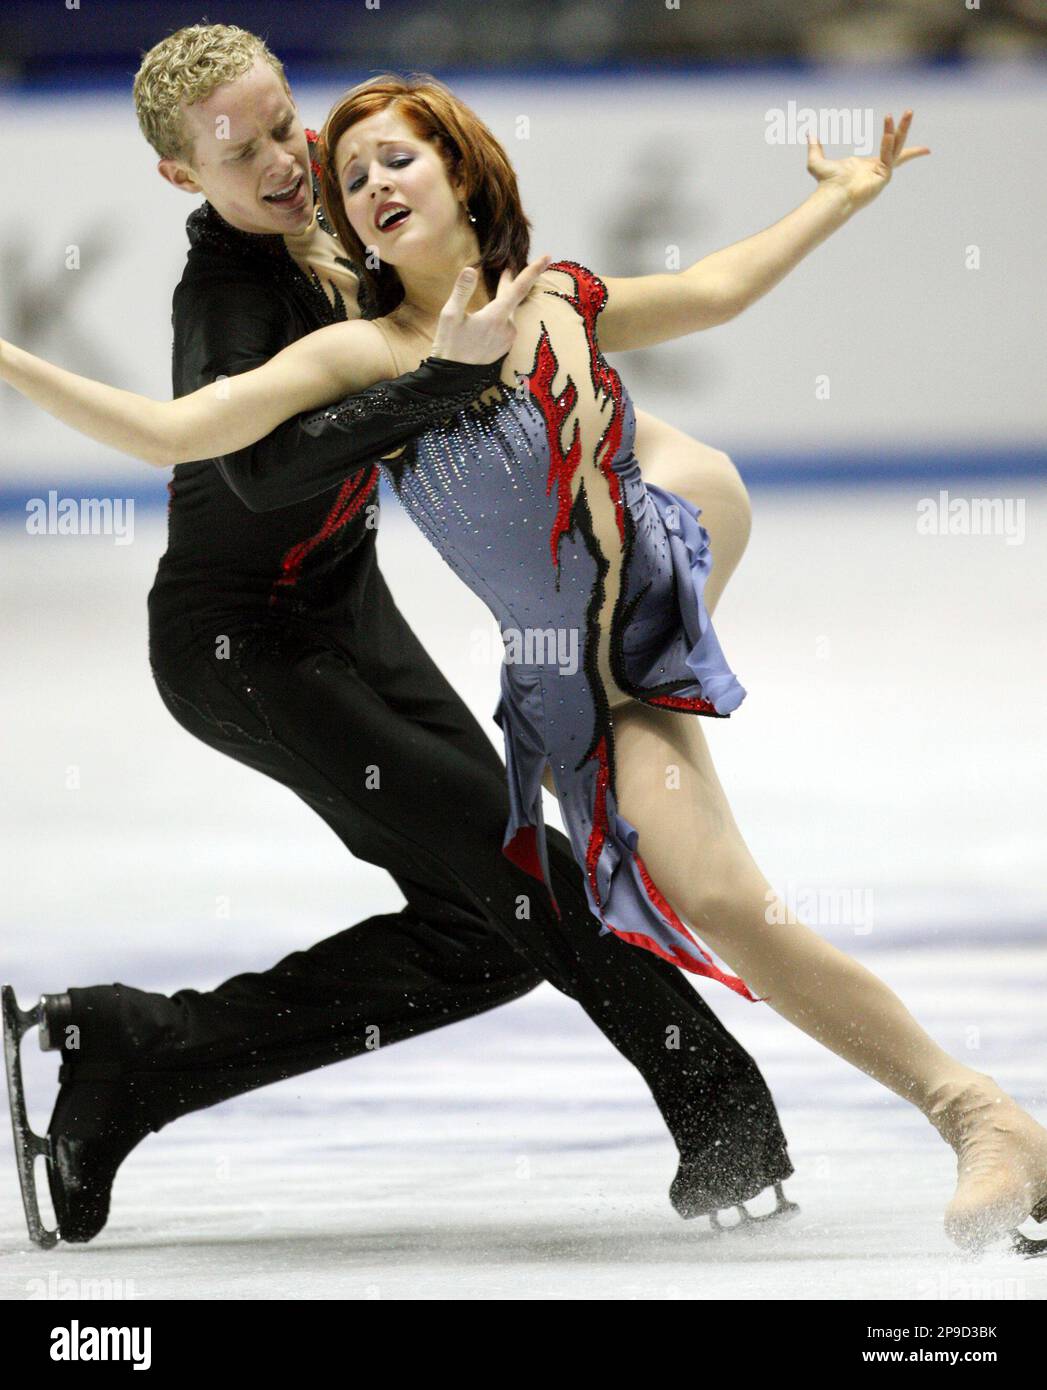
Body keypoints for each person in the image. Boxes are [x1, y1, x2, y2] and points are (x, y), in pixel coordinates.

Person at [6, 62, 1046, 1256]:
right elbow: (200, 444)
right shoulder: (305, 325)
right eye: (282, 162)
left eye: (336, 145)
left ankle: (883, 1108)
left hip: (541, 606)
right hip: (256, 645)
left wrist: (842, 196)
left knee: (548, 886)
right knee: (545, 892)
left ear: (465, 170)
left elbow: (711, 290)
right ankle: (132, 1056)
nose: (307, 167)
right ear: (181, 173)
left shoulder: (532, 293)